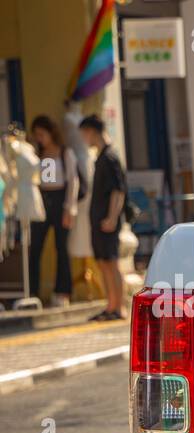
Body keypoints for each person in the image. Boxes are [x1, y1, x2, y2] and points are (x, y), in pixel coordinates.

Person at [77, 114, 126, 322]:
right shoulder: (101, 157)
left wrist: (112, 217)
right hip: (99, 220)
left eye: (84, 134)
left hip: (107, 220)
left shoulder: (110, 157)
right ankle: (110, 305)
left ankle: (119, 307)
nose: (84, 139)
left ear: (91, 132)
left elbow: (118, 191)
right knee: (103, 263)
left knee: (112, 263)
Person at [27, 115, 79, 308]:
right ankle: (33, 291)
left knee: (61, 247)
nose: (40, 138)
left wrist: (69, 207)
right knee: (35, 247)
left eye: (42, 134)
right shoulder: (36, 154)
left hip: (60, 199)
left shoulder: (65, 153)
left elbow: (73, 180)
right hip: (40, 199)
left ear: (51, 133)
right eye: (37, 135)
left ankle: (62, 291)